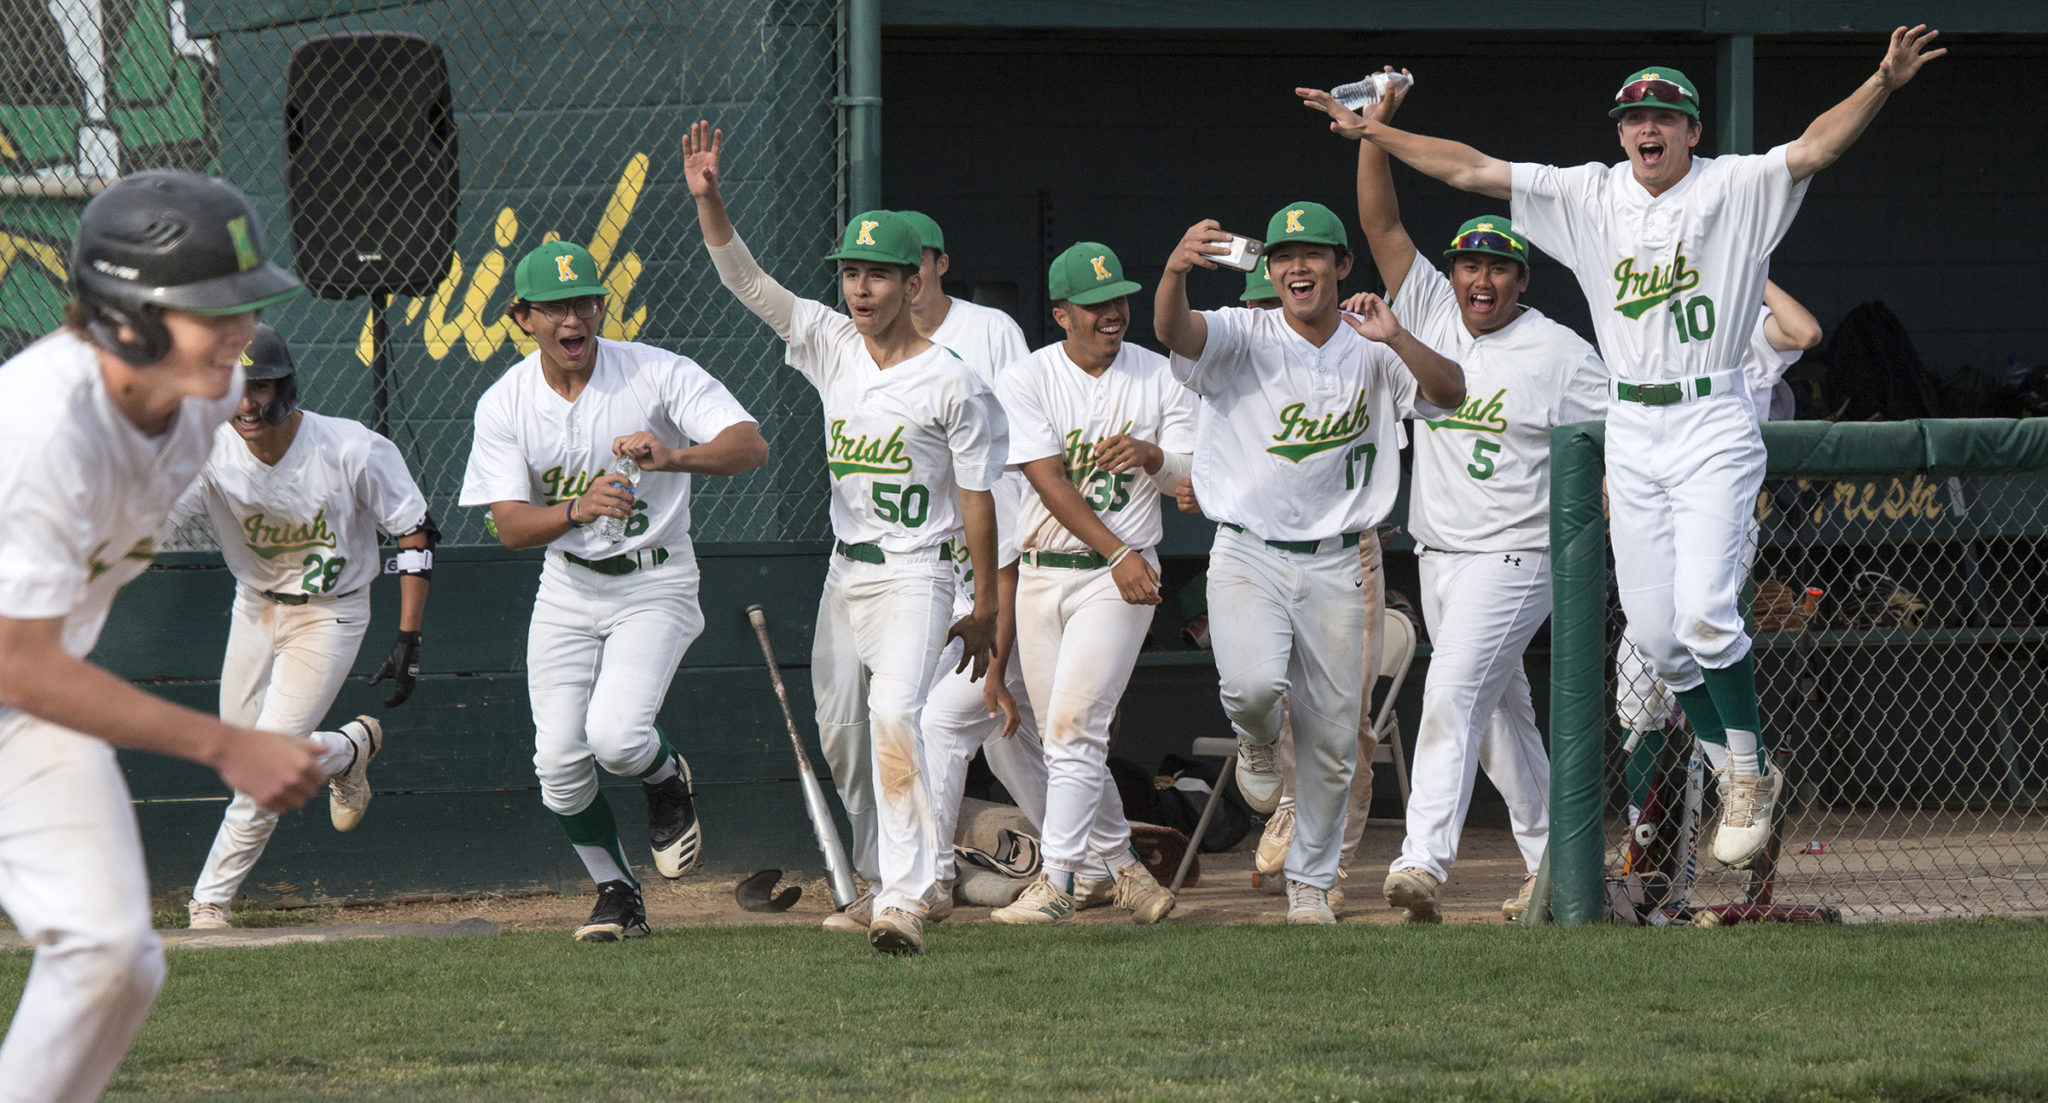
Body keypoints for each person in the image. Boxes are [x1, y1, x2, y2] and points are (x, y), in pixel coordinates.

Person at [1303, 25, 1943, 869]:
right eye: (1635, 117)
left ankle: (1746, 771)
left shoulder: (1732, 186)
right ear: (1620, 133)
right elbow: (1471, 168)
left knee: (1706, 615)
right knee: (1658, 640)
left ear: (1692, 130)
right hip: (1634, 425)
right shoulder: (1591, 194)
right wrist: (1375, 132)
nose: (1648, 127)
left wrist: (1882, 82)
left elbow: (1816, 145)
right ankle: (1737, 767)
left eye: (1665, 116)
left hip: (1711, 416)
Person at [0, 169, 325, 1102]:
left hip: (20, 711)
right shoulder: (41, 428)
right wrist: (227, 743)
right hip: (21, 678)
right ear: (126, 320)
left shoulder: (204, 405)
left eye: (245, 305)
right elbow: (19, 661)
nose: (241, 332)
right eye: (211, 310)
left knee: (115, 959)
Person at [686, 121, 1003, 955]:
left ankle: (906, 897)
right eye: (852, 273)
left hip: (917, 572)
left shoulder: (954, 381)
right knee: (843, 733)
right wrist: (711, 200)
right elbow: (747, 282)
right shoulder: (832, 342)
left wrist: (986, 604)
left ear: (913, 281)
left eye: (877, 273)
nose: (860, 288)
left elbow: (979, 501)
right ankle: (880, 875)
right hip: (845, 572)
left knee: (895, 712)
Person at [1322, 72, 1610, 923]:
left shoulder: (1563, 353)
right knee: (1498, 723)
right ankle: (1561, 864)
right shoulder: (1432, 310)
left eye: (1497, 267)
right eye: (1468, 265)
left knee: (1451, 695)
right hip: (1440, 552)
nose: (1480, 279)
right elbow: (1381, 224)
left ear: (1522, 279)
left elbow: (1620, 445)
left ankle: (1421, 861)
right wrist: (1371, 134)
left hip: (1517, 553)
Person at [1156, 201, 1465, 923]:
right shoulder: (1243, 332)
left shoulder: (1373, 342)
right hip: (1248, 549)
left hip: (1340, 560)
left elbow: (1451, 392)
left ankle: (1311, 881)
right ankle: (1258, 741)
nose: (1298, 267)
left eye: (1313, 254)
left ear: (1341, 265)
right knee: (1253, 688)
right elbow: (1175, 331)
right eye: (1283, 256)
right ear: (1269, 270)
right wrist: (1174, 272)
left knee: (1332, 739)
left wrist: (1398, 336)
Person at [459, 240, 767, 942]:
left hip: (655, 577)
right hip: (567, 585)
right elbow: (510, 527)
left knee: (618, 738)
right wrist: (576, 508)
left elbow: (751, 446)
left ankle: (664, 774)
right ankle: (618, 894)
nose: (573, 319)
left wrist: (675, 455)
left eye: (585, 303)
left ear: (601, 306)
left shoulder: (655, 372)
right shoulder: (506, 401)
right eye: (555, 308)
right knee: (558, 763)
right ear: (523, 318)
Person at [171, 324, 438, 929]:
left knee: (263, 767)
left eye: (258, 386)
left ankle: (210, 902)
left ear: (285, 387)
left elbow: (414, 531)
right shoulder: (207, 448)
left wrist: (408, 634)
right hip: (254, 604)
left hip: (330, 611)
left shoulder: (351, 448)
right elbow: (155, 518)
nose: (245, 402)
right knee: (241, 756)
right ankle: (345, 750)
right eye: (232, 386)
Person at [985, 242, 1195, 926]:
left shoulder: (1160, 374)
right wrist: (1115, 549)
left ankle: (1060, 879)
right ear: (1062, 314)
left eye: (1119, 299)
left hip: (1120, 581)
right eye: (1095, 303)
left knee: (1076, 730)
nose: (1113, 312)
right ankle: (1128, 871)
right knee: (1064, 742)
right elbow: (1047, 479)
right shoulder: (1029, 377)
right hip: (1046, 572)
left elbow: (1192, 472)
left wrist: (1153, 455)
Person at [1615, 277, 1822, 842]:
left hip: (1718, 507)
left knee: (1700, 624)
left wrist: (1749, 272)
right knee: (1642, 669)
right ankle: (1655, 825)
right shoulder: (1641, 324)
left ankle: (1745, 778)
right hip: (1655, 506)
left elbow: (1804, 331)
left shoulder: (1739, 318)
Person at [894, 209, 1049, 917]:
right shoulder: (874, 351)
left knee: (944, 721)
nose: (909, 276)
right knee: (1003, 741)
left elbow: (1016, 448)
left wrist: (995, 646)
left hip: (1010, 570)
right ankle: (1096, 856)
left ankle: (927, 879)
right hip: (944, 572)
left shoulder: (989, 334)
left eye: (917, 260)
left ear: (939, 264)